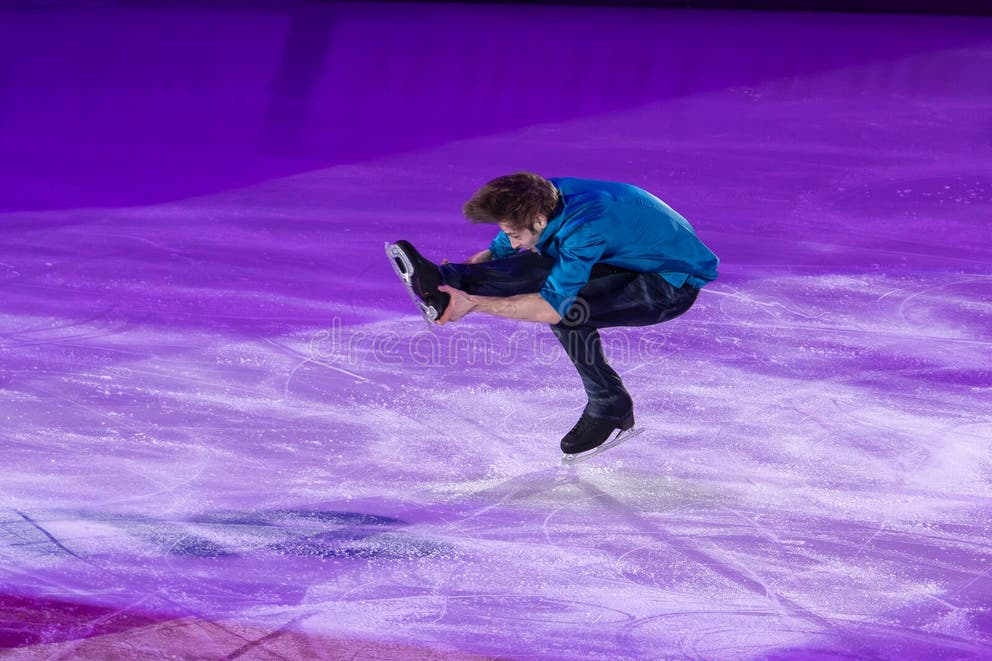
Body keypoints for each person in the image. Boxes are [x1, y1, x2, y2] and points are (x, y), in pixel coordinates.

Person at [386, 172, 718, 458]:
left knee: (569, 311)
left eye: (516, 234)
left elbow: (550, 307)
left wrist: (474, 303)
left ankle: (609, 404)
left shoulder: (585, 228)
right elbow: (509, 245)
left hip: (669, 285)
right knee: (540, 259)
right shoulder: (544, 194)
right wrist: (470, 272)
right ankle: (447, 281)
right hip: (629, 258)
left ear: (539, 220)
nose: (512, 241)